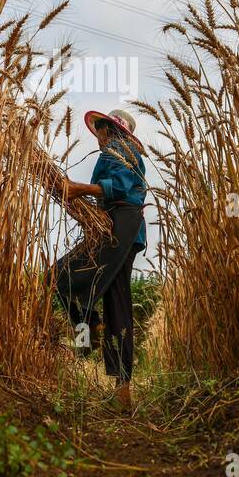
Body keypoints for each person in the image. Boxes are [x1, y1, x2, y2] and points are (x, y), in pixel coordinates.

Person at [52, 108, 148, 413]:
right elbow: (114, 194)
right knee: (117, 298)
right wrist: (85, 210)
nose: (98, 136)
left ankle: (89, 328)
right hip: (123, 228)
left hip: (121, 226)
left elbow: (118, 189)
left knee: (60, 275)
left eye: (101, 130)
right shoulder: (123, 151)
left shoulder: (118, 150)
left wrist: (77, 189)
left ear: (110, 129)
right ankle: (123, 392)